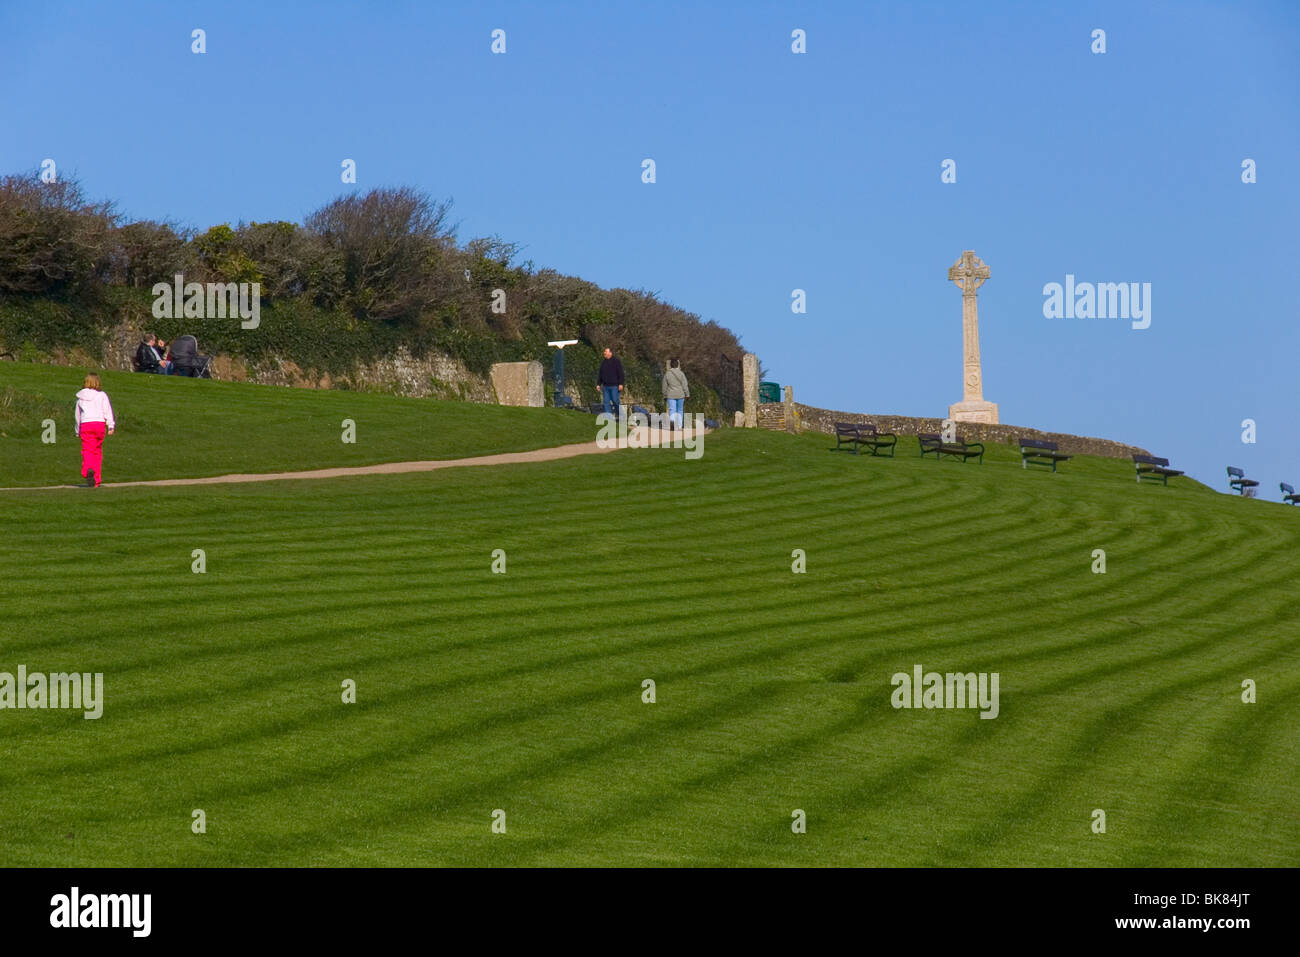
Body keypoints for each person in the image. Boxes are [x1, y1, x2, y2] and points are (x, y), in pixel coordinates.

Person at [74, 373, 115, 488]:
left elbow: (77, 416)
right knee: (97, 451)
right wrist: (110, 425)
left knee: (87, 449)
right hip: (99, 424)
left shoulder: (80, 398)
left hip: (86, 424)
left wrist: (78, 430)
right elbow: (107, 410)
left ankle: (87, 469)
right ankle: (96, 479)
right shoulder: (102, 395)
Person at [662, 358, 689, 430]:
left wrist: (664, 395)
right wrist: (687, 394)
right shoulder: (681, 374)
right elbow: (685, 385)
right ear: (678, 365)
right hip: (681, 395)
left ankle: (672, 423)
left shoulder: (667, 374)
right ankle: (679, 427)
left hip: (671, 395)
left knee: (672, 410)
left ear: (670, 365)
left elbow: (664, 386)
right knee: (680, 410)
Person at [597, 347, 624, 417]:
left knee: (615, 401)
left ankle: (620, 415)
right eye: (604, 352)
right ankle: (609, 418)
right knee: (606, 402)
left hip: (614, 386)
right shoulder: (603, 363)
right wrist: (598, 384)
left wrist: (621, 383)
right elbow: (600, 374)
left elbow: (620, 373)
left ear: (610, 353)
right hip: (605, 386)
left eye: (606, 351)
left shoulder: (616, 361)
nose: (604, 353)